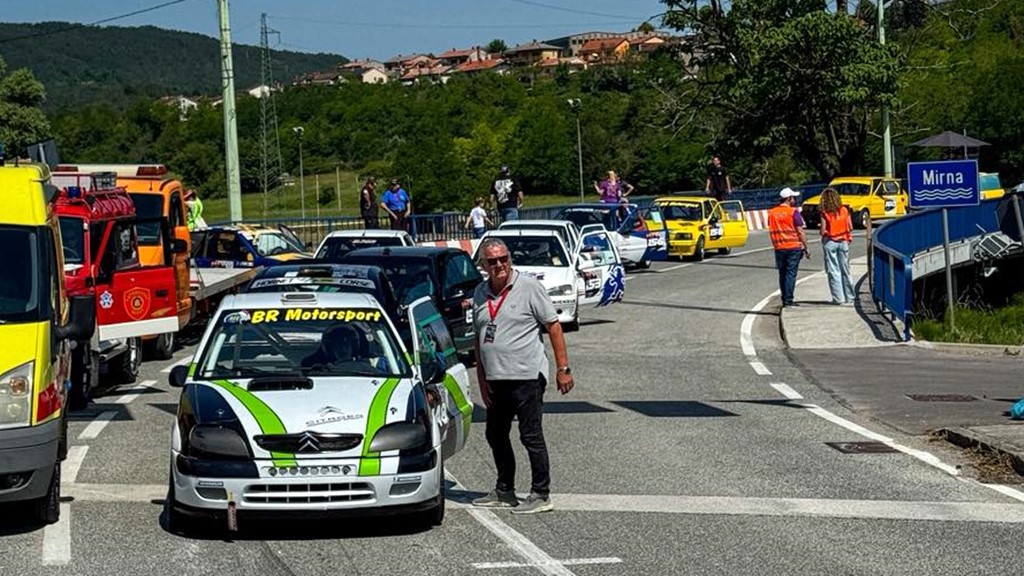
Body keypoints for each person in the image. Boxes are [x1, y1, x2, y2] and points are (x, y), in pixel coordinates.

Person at [471, 237, 574, 514]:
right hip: (495, 379)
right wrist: (481, 378)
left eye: (503, 258)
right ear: (483, 265)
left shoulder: (529, 287)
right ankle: (505, 490)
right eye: (492, 261)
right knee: (495, 434)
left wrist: (563, 369)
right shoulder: (480, 294)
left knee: (530, 435)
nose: (499, 265)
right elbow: (479, 339)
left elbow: (553, 326)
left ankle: (541, 493)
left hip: (526, 376)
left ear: (509, 259)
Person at [768, 187, 809, 307]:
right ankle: (788, 300)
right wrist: (806, 247)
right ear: (789, 199)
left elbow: (771, 229)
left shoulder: (772, 213)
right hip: (793, 247)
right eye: (793, 198)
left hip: (779, 247)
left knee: (782, 273)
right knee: (791, 274)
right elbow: (800, 231)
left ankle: (784, 297)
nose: (794, 200)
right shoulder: (793, 212)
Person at [819, 187, 856, 305]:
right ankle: (850, 297)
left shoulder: (825, 213)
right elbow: (850, 226)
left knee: (834, 270)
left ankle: (838, 298)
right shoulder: (844, 210)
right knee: (846, 270)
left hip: (830, 241)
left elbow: (823, 230)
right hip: (844, 241)